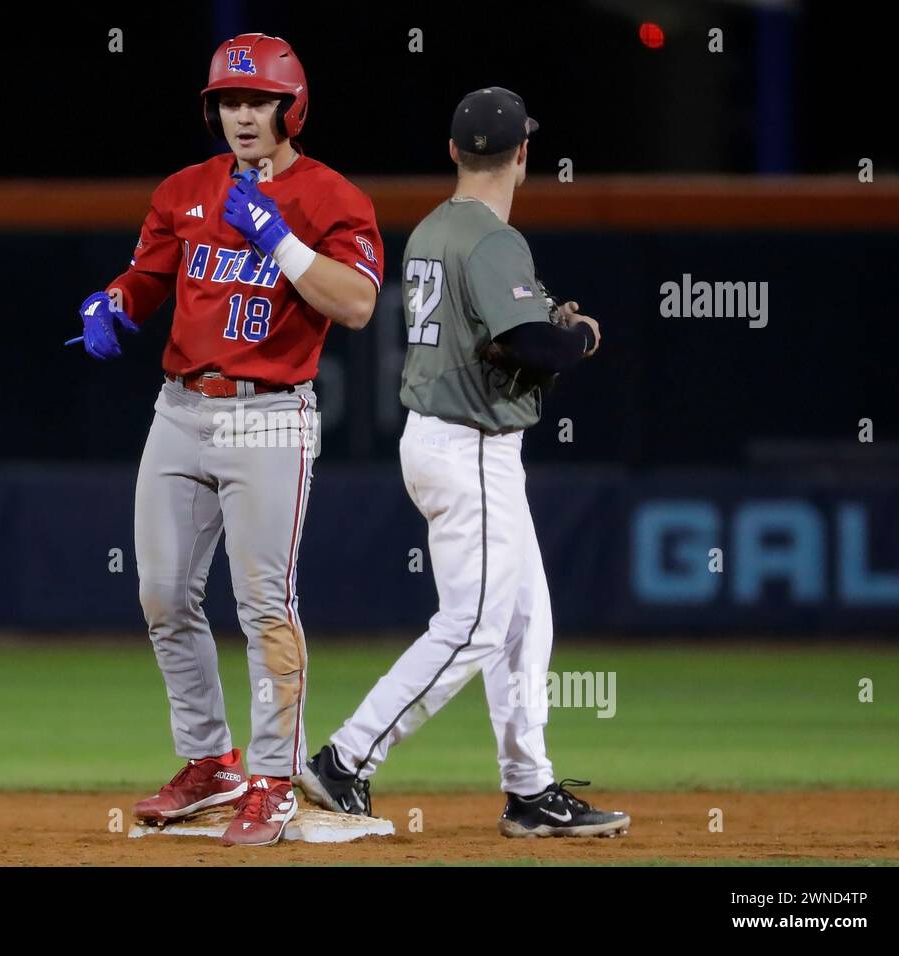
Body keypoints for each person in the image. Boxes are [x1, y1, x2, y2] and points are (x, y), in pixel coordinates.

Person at [70, 33, 384, 846]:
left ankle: (274, 778)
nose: (243, 114)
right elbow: (147, 278)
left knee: (263, 607)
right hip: (180, 409)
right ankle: (210, 762)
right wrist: (113, 302)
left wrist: (278, 236)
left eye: (259, 100)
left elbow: (354, 304)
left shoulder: (332, 197)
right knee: (164, 595)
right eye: (230, 101)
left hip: (271, 415)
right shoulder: (184, 189)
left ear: (292, 106)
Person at [295, 88, 629, 839]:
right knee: (476, 623)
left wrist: (540, 329)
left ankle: (531, 789)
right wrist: (577, 338)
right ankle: (346, 759)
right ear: (522, 155)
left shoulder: (430, 229)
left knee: (524, 621)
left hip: (443, 439)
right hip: (471, 445)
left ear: (453, 152)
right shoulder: (492, 238)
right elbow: (528, 347)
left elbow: (495, 334)